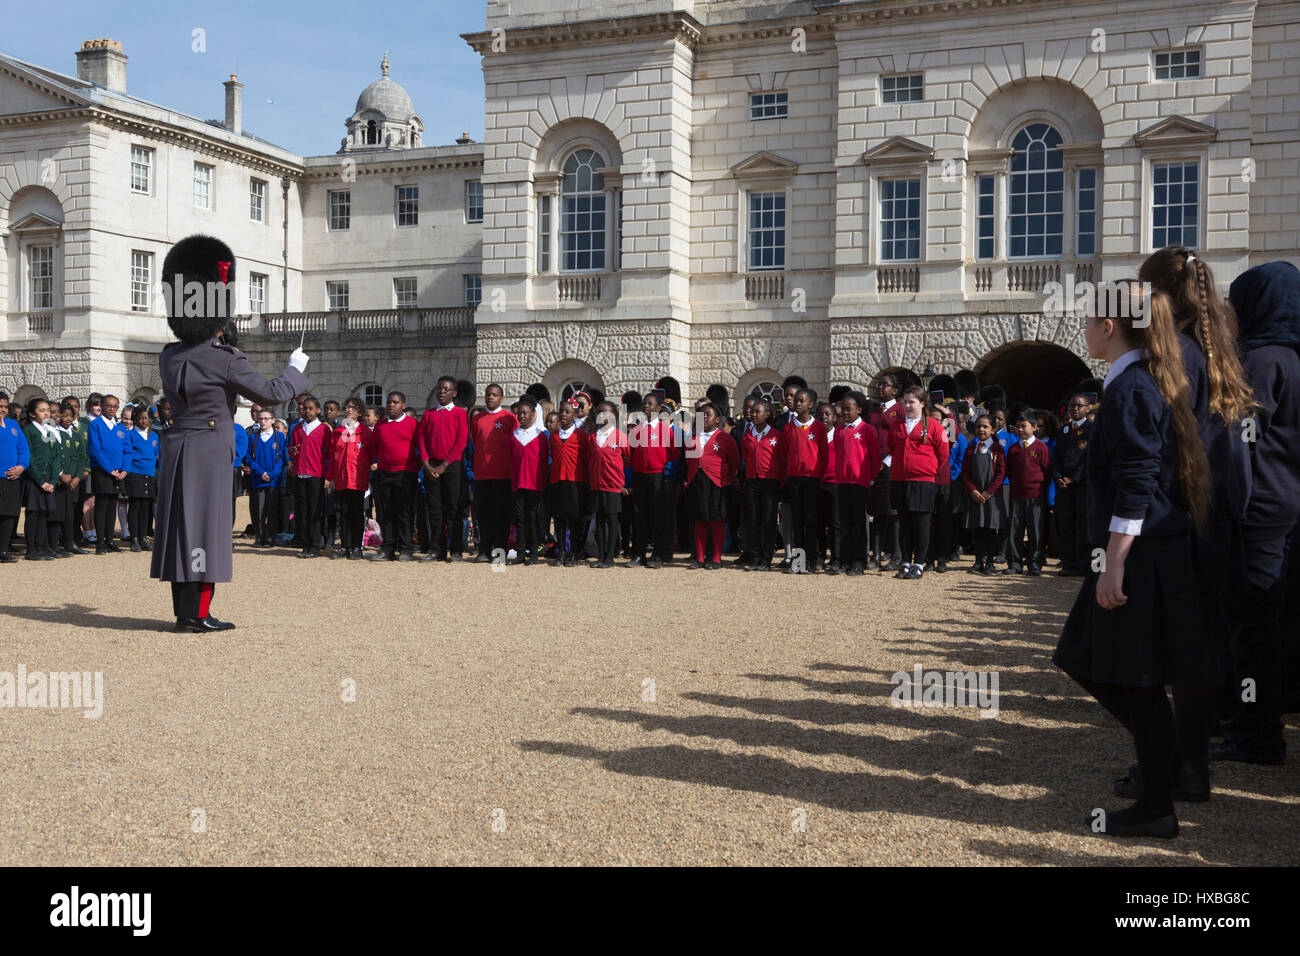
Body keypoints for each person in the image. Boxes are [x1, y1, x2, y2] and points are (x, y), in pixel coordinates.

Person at [1053, 279, 1209, 839]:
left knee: (1137, 677)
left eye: (1088, 317)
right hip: (1139, 550)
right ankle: (1167, 764)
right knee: (1084, 655)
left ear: (1109, 325)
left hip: (1138, 554)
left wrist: (1114, 560)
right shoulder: (1134, 381)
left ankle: (1158, 803)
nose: (1084, 326)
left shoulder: (1132, 388)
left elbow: (1138, 480)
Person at [151, 234, 309, 632]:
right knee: (205, 528)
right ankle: (198, 614)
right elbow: (272, 393)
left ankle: (183, 613)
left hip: (178, 448)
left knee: (179, 530)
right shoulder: (224, 360)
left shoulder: (169, 355)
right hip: (208, 450)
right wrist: (296, 368)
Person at [1216, 261, 1300, 765]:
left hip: (1258, 510)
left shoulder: (1261, 360)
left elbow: (1242, 443)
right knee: (1276, 619)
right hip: (1287, 503)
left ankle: (1255, 732)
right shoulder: (1291, 357)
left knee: (1249, 627)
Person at [418, 377, 468, 562]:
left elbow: (461, 440)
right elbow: (421, 438)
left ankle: (456, 549)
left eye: (446, 389)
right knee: (435, 510)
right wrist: (425, 463)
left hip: (452, 466)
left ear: (453, 393)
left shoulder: (460, 414)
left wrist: (444, 465)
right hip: (431, 466)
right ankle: (436, 549)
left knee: (453, 509)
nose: (442, 392)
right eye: (439, 389)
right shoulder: (429, 414)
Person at [685, 402, 739, 570]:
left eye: (708, 414)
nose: (704, 417)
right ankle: (699, 557)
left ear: (717, 420)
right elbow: (688, 460)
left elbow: (734, 461)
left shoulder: (724, 438)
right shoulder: (692, 438)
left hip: (717, 482)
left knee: (717, 520)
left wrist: (727, 479)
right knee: (699, 520)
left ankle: (716, 557)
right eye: (701, 415)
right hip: (697, 481)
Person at [779, 388, 828, 574]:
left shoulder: (818, 428)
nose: (797, 403)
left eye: (801, 400)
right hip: (794, 480)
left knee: (812, 521)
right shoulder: (788, 427)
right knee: (797, 522)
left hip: (812, 480)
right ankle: (799, 561)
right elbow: (785, 453)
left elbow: (823, 455)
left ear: (810, 404)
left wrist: (819, 475)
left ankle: (812, 559)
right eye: (796, 400)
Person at [833, 390, 881, 576]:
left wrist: (870, 478)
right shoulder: (840, 430)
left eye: (848, 409)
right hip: (843, 481)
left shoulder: (867, 430)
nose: (845, 413)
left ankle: (859, 560)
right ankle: (844, 559)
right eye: (843, 409)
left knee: (859, 524)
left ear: (859, 409)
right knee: (844, 522)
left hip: (860, 483)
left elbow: (875, 458)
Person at [628, 392, 677, 569]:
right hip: (640, 475)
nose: (646, 406)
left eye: (649, 404)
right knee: (639, 515)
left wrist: (661, 465)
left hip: (657, 476)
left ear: (658, 408)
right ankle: (638, 554)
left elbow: (673, 452)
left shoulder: (665, 429)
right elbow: (631, 453)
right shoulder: (636, 429)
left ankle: (657, 554)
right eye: (644, 404)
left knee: (658, 516)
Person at [471, 384, 518, 564]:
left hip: (503, 474)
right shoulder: (478, 419)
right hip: (483, 473)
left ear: (501, 398)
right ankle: (483, 550)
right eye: (488, 394)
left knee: (501, 515)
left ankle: (499, 552)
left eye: (495, 395)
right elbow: (476, 441)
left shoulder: (509, 418)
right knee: (484, 515)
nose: (491, 397)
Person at [369, 391, 419, 562]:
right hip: (384, 473)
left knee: (404, 512)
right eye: (389, 402)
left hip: (406, 473)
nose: (391, 405)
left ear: (403, 405)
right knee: (386, 513)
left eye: (395, 402)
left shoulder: (413, 424)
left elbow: (420, 449)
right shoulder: (380, 425)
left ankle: (405, 549)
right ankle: (388, 548)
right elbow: (374, 448)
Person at [1004, 408, 1052, 576]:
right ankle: (1015, 564)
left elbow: (1047, 472)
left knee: (1036, 531)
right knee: (1015, 531)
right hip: (1016, 495)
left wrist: (1038, 489)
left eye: (1024, 426)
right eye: (1018, 426)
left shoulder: (1041, 448)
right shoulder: (1012, 449)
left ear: (1034, 427)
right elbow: (1009, 470)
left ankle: (1035, 564)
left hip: (1036, 496)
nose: (1020, 430)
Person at [739, 399, 783, 572]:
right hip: (752, 481)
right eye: (753, 411)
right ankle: (755, 556)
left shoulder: (775, 435)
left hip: (769, 482)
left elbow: (781, 459)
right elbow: (747, 456)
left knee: (768, 521)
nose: (754, 415)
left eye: (758, 411)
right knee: (753, 520)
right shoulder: (748, 435)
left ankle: (766, 558)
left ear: (767, 414)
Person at [326, 398, 371, 560]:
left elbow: (370, 455)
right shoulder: (339, 432)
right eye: (347, 407)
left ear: (359, 412)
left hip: (358, 479)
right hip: (341, 479)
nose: (349, 410)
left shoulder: (365, 432)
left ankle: (357, 547)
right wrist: (330, 477)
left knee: (357, 514)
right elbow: (334, 456)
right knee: (343, 513)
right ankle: (345, 546)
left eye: (353, 407)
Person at [961, 414, 1006, 575]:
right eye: (979, 426)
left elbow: (1001, 473)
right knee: (978, 529)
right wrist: (972, 490)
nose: (981, 429)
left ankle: (990, 562)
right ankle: (978, 560)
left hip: (992, 496)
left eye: (985, 426)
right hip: (975, 495)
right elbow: (965, 472)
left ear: (992, 429)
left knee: (990, 529)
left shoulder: (997, 449)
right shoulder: (971, 449)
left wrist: (989, 492)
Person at [1054, 394, 1094, 576]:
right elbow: (1057, 457)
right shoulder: (1063, 431)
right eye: (1072, 406)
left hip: (1082, 485)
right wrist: (1059, 476)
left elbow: (1090, 459)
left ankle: (1082, 564)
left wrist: (1074, 478)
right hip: (1063, 486)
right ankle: (1068, 563)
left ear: (1088, 408)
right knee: (1065, 524)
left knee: (1082, 525)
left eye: (1079, 405)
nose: (1075, 409)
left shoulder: (1092, 430)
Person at [587, 401, 630, 568]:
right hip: (596, 484)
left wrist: (620, 479)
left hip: (613, 485)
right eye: (600, 412)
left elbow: (627, 458)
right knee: (598, 521)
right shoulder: (592, 437)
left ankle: (610, 556)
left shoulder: (620, 436)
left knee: (612, 522)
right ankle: (601, 555)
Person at [867, 374, 904, 569]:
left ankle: (896, 554)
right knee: (877, 512)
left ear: (895, 391)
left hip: (891, 466)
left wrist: (887, 461)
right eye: (879, 384)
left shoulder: (900, 411)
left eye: (885, 385)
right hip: (873, 467)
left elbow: (901, 439)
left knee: (893, 511)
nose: (880, 387)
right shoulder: (872, 412)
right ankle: (876, 553)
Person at [548, 399, 589, 566]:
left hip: (574, 481)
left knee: (574, 519)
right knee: (559, 519)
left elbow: (586, 459)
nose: (564, 415)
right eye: (562, 412)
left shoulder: (581, 436)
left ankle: (573, 552)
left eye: (567, 412)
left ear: (574, 415)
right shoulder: (554, 436)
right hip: (557, 481)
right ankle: (561, 552)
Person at [288, 397, 330, 558]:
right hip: (300, 474)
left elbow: (329, 454)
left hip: (316, 475)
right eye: (305, 408)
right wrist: (293, 452)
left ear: (317, 410)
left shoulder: (323, 429)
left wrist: (328, 476)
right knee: (302, 511)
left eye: (311, 408)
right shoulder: (298, 428)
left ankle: (315, 545)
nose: (307, 411)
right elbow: (292, 448)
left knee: (314, 512)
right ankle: (305, 544)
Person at [87, 394, 129, 554]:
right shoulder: (95, 425)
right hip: (103, 471)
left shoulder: (120, 427)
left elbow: (127, 450)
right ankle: (100, 542)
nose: (112, 409)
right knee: (102, 505)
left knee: (113, 505)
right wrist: (110, 470)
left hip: (119, 473)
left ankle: (110, 540)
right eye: (109, 405)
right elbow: (95, 450)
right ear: (102, 406)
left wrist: (124, 470)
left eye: (115, 406)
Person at [510, 397, 549, 566]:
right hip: (518, 483)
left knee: (533, 517)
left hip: (534, 484)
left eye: (525, 413)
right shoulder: (513, 436)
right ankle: (520, 553)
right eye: (519, 413)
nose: (521, 416)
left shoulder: (540, 436)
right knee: (520, 518)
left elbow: (544, 462)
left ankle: (533, 553)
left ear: (533, 414)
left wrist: (543, 483)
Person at [21, 399, 59, 561]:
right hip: (34, 478)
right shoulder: (29, 430)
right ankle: (32, 549)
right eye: (42, 410)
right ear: (32, 413)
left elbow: (55, 456)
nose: (46, 413)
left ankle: (42, 546)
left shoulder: (49, 431)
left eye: (47, 410)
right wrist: (40, 480)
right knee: (33, 513)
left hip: (48, 478)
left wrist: (53, 479)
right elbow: (28, 457)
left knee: (44, 513)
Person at [247, 408, 287, 548]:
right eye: (260, 419)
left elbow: (281, 457)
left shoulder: (279, 436)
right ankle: (259, 537)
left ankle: (270, 538)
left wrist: (271, 474)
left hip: (273, 480)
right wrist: (260, 472)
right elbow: (248, 457)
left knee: (271, 509)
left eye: (265, 418)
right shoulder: (254, 437)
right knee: (259, 509)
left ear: (272, 420)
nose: (262, 421)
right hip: (258, 479)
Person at [54, 402, 89, 556]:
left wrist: (76, 477)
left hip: (73, 481)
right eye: (65, 415)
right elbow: (51, 456)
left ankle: (70, 542)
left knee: (70, 513)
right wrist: (61, 475)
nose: (68, 419)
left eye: (71, 416)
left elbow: (81, 458)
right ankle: (53, 543)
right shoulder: (52, 433)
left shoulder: (76, 435)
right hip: (59, 480)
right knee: (56, 513)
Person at [125, 405, 159, 552]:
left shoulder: (154, 436)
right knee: (135, 506)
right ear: (135, 419)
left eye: (146, 418)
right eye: (140, 418)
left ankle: (143, 537)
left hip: (150, 473)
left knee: (146, 507)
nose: (143, 421)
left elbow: (157, 454)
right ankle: (134, 538)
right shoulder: (130, 435)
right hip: (135, 473)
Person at [0, 394, 27, 562]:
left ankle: (3, 551)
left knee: (9, 514)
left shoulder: (12, 424)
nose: (3, 409)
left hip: (12, 477)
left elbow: (23, 448)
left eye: (5, 406)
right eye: (0, 406)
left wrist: (21, 466)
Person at [817, 401, 840, 572]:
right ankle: (819, 557)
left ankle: (836, 558)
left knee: (835, 523)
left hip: (835, 484)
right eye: (820, 415)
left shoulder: (840, 435)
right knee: (818, 522)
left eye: (827, 414)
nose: (824, 417)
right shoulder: (813, 434)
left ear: (835, 418)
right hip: (817, 483)